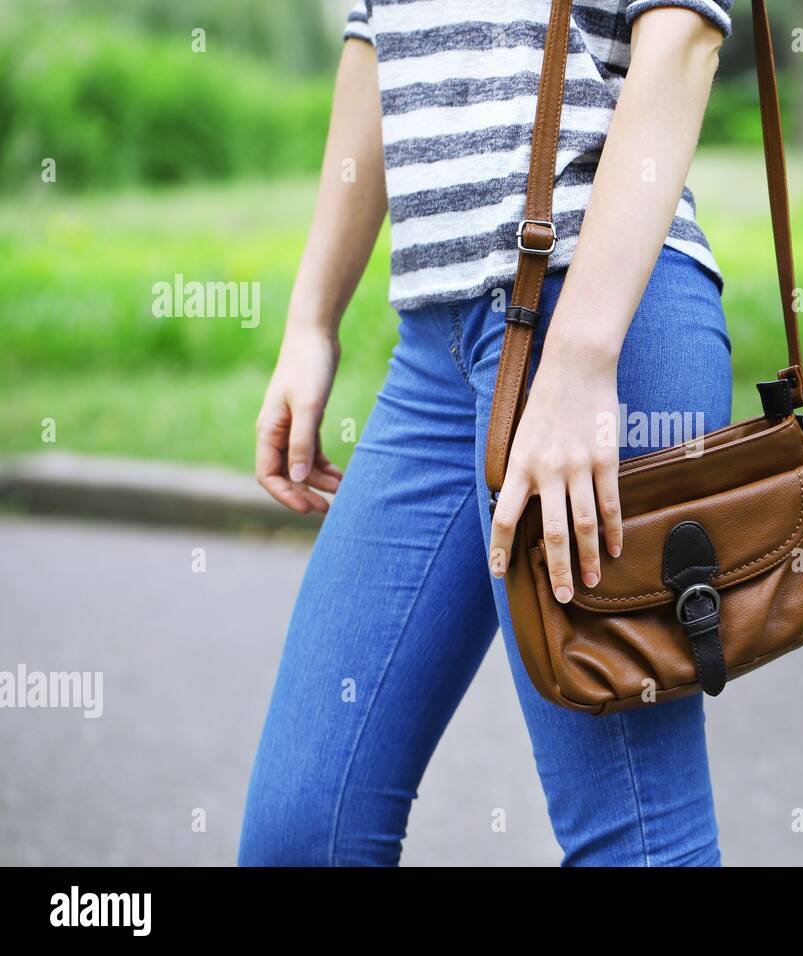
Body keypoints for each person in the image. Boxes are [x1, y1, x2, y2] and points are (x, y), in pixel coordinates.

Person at [237, 0, 735, 866]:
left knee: (634, 835)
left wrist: (582, 358)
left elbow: (685, 35)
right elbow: (374, 40)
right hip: (435, 345)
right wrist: (311, 321)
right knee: (303, 832)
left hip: (602, 315)